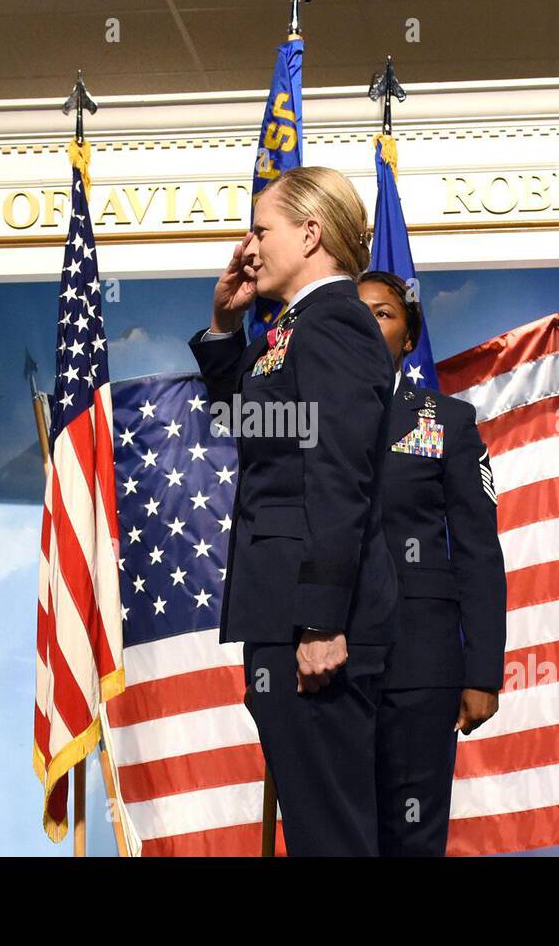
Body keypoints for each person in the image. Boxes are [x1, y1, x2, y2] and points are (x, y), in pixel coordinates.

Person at [188, 166, 398, 856]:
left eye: (261, 229)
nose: (248, 247)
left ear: (310, 234)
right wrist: (225, 325)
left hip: (313, 624)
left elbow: (340, 478)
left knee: (332, 835)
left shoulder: (335, 323)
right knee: (316, 831)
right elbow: (248, 424)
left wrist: (321, 621)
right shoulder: (294, 326)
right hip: (283, 614)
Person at [358, 271, 506, 857]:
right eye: (358, 313)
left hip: (420, 665)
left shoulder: (445, 422)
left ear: (408, 338)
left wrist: (483, 672)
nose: (370, 324)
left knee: (412, 835)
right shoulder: (309, 421)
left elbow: (477, 549)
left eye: (384, 313)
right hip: (328, 661)